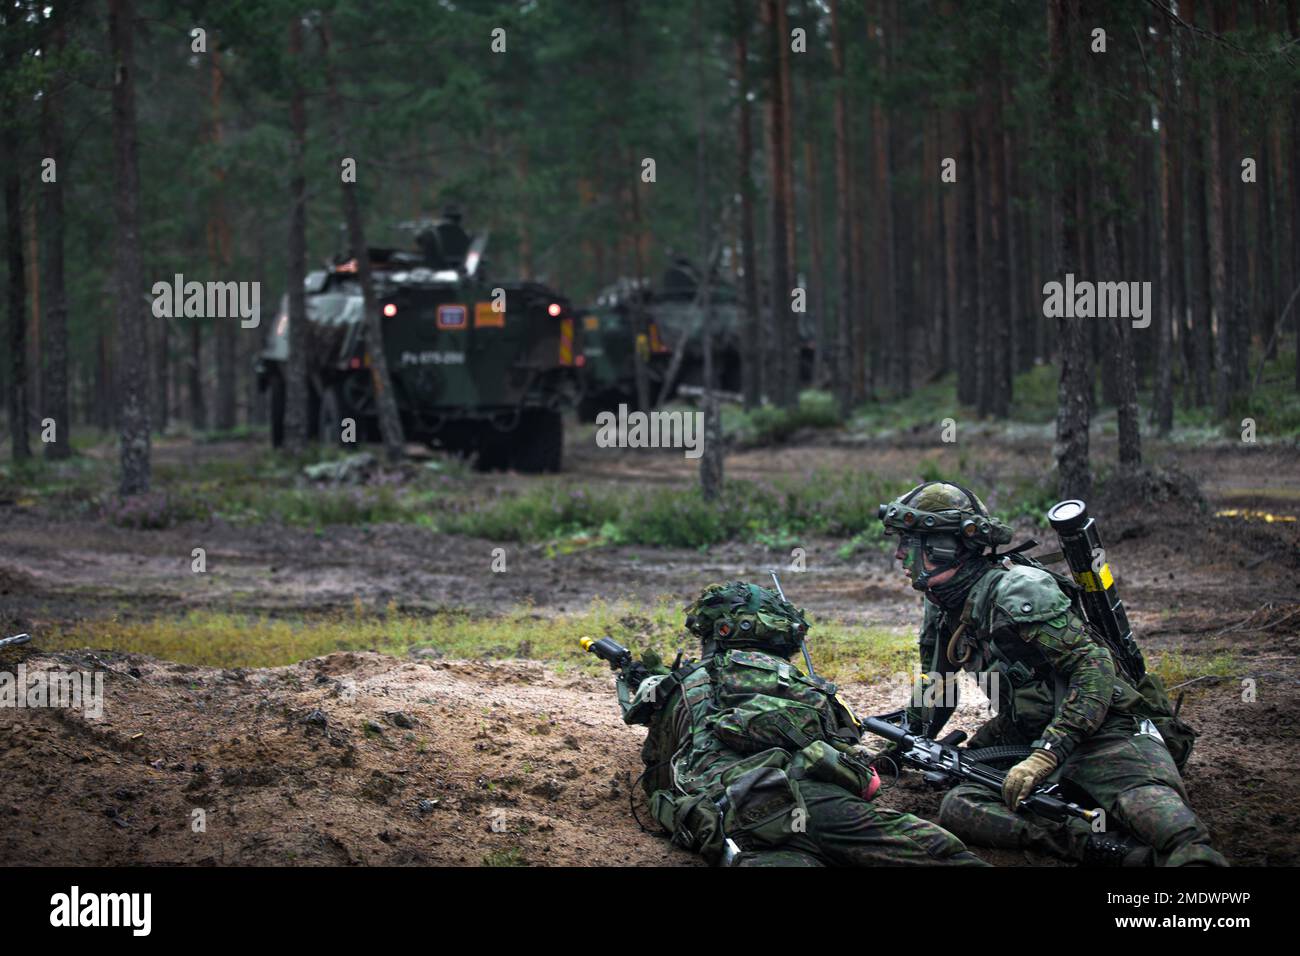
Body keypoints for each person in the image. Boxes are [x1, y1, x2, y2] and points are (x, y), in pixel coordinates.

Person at [877, 480, 1226, 866]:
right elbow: (937, 688)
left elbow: (1094, 669)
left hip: (1106, 732)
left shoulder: (1019, 591)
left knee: (1174, 833)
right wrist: (897, 746)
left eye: (909, 543)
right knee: (961, 806)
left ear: (943, 548)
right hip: (1024, 734)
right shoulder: (942, 605)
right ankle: (1097, 846)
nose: (899, 555)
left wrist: (1046, 755)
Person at [607, 581, 988, 867]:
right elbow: (848, 742)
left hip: (733, 815)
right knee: (941, 855)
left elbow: (657, 774)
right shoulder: (800, 682)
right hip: (818, 804)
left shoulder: (680, 686)